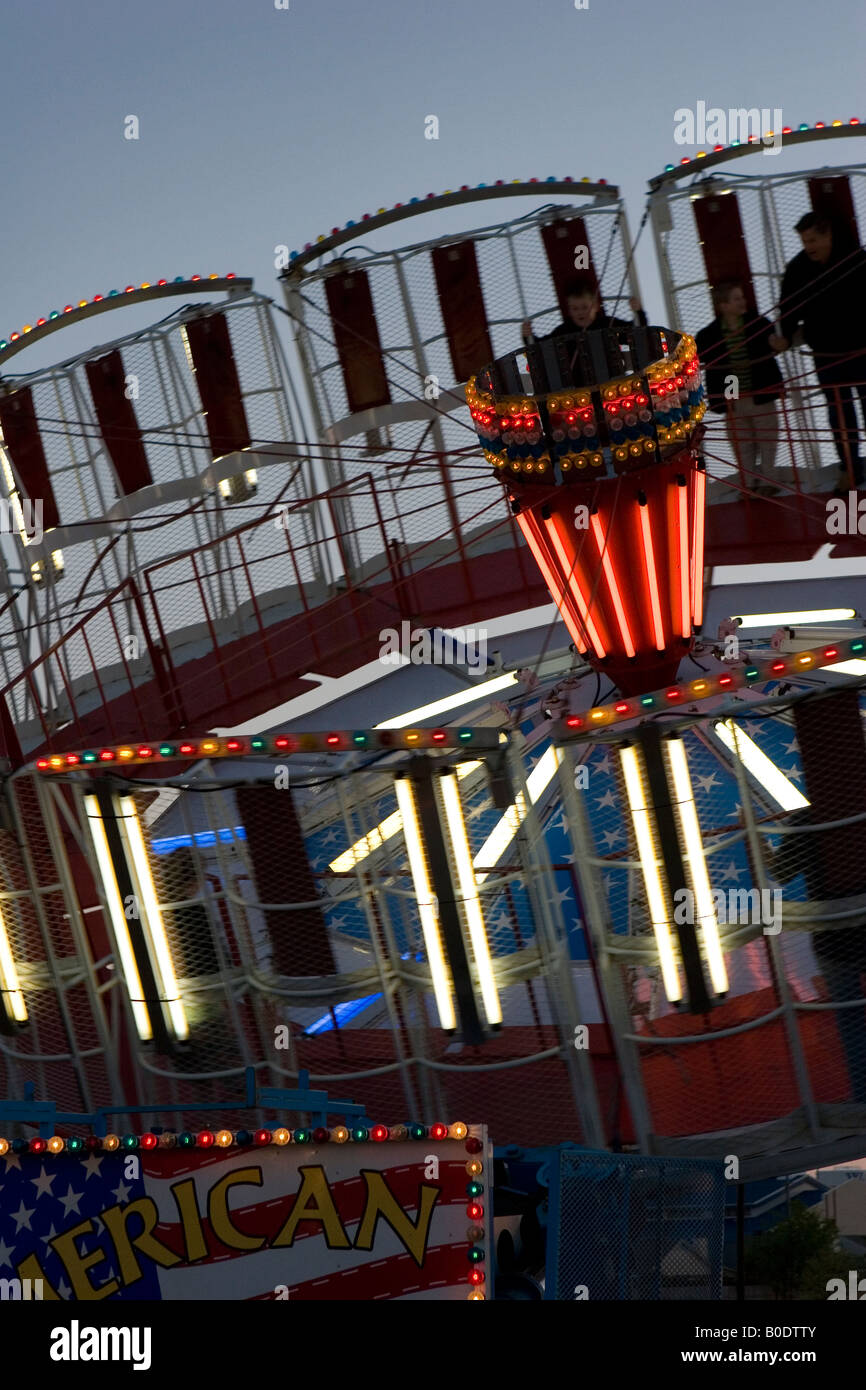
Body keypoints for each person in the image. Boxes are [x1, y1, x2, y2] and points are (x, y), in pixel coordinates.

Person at [765, 808, 866, 1104]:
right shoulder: (856, 812)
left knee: (849, 1020)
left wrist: (756, 840)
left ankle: (862, 1097)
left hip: (832, 937)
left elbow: (781, 872)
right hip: (851, 927)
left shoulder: (803, 822)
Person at [769, 213, 866, 488]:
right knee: (840, 415)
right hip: (826, 354)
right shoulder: (798, 268)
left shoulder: (856, 260)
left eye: (813, 239)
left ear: (828, 236)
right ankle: (850, 470)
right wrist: (784, 337)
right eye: (804, 241)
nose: (808, 246)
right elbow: (788, 307)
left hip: (861, 350)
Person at [695, 282, 785, 495]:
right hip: (734, 391)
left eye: (741, 298)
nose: (742, 302)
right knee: (742, 441)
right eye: (736, 299)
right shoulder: (710, 334)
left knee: (766, 439)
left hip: (759, 389)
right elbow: (703, 356)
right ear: (724, 305)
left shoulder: (758, 324)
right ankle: (750, 484)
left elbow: (773, 341)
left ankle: (767, 482)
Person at [521, 274, 647, 347]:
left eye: (584, 307)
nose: (580, 312)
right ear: (569, 311)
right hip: (578, 388)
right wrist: (528, 336)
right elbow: (541, 348)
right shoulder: (564, 331)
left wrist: (638, 312)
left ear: (595, 307)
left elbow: (636, 333)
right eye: (575, 308)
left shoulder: (607, 324)